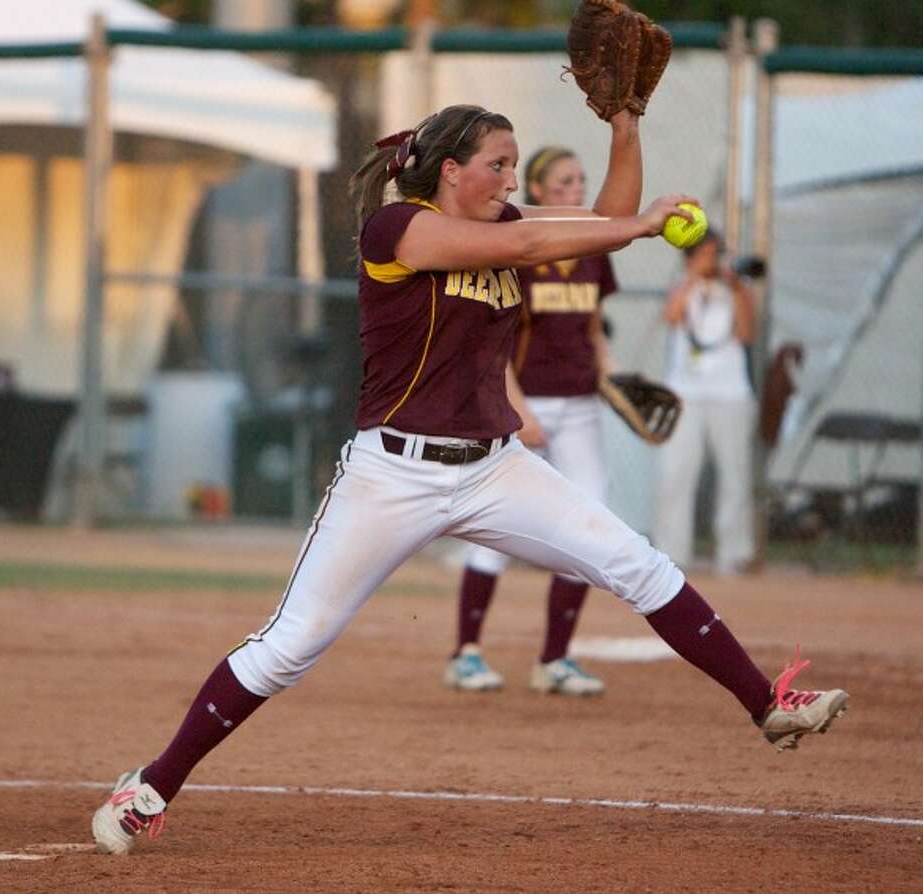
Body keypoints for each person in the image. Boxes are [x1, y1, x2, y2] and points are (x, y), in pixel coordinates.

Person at [91, 103, 849, 855]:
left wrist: (626, 130)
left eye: (515, 165)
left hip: (493, 466)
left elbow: (599, 219)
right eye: (497, 164)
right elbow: (532, 239)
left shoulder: (499, 223)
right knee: (291, 646)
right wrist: (642, 225)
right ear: (449, 170)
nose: (510, 178)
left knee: (635, 562)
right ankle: (150, 785)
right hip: (392, 473)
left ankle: (768, 704)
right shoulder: (396, 229)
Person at [447, 145, 617, 697]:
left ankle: (555, 658)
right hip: (525, 404)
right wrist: (516, 409)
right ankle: (466, 652)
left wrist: (613, 380)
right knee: (499, 529)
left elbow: (593, 326)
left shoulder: (592, 247)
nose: (577, 191)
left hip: (582, 405)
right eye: (565, 183)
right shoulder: (520, 247)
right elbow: (491, 341)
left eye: (581, 180)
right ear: (540, 192)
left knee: (589, 527)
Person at [654, 232, 758, 574]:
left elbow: (746, 335)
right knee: (676, 472)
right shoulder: (680, 284)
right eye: (709, 255)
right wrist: (692, 279)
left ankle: (734, 551)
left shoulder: (736, 289)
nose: (715, 261)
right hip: (686, 392)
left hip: (730, 391)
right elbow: (670, 317)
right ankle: (672, 551)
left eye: (718, 254)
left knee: (735, 473)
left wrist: (738, 289)